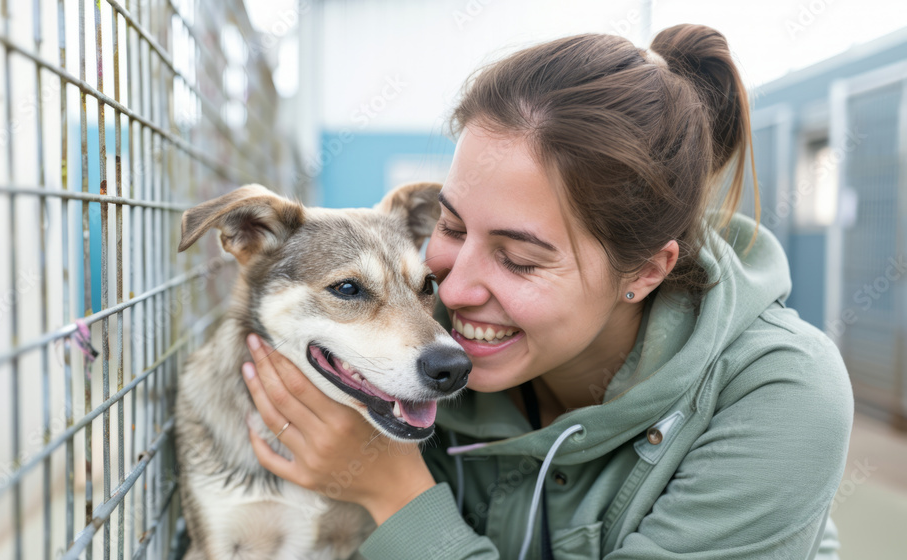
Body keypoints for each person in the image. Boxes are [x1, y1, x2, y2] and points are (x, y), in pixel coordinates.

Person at [240, 23, 854, 559]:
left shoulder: (781, 394)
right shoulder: (412, 350)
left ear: (645, 272)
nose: (452, 289)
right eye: (450, 227)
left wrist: (394, 493)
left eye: (519, 260)